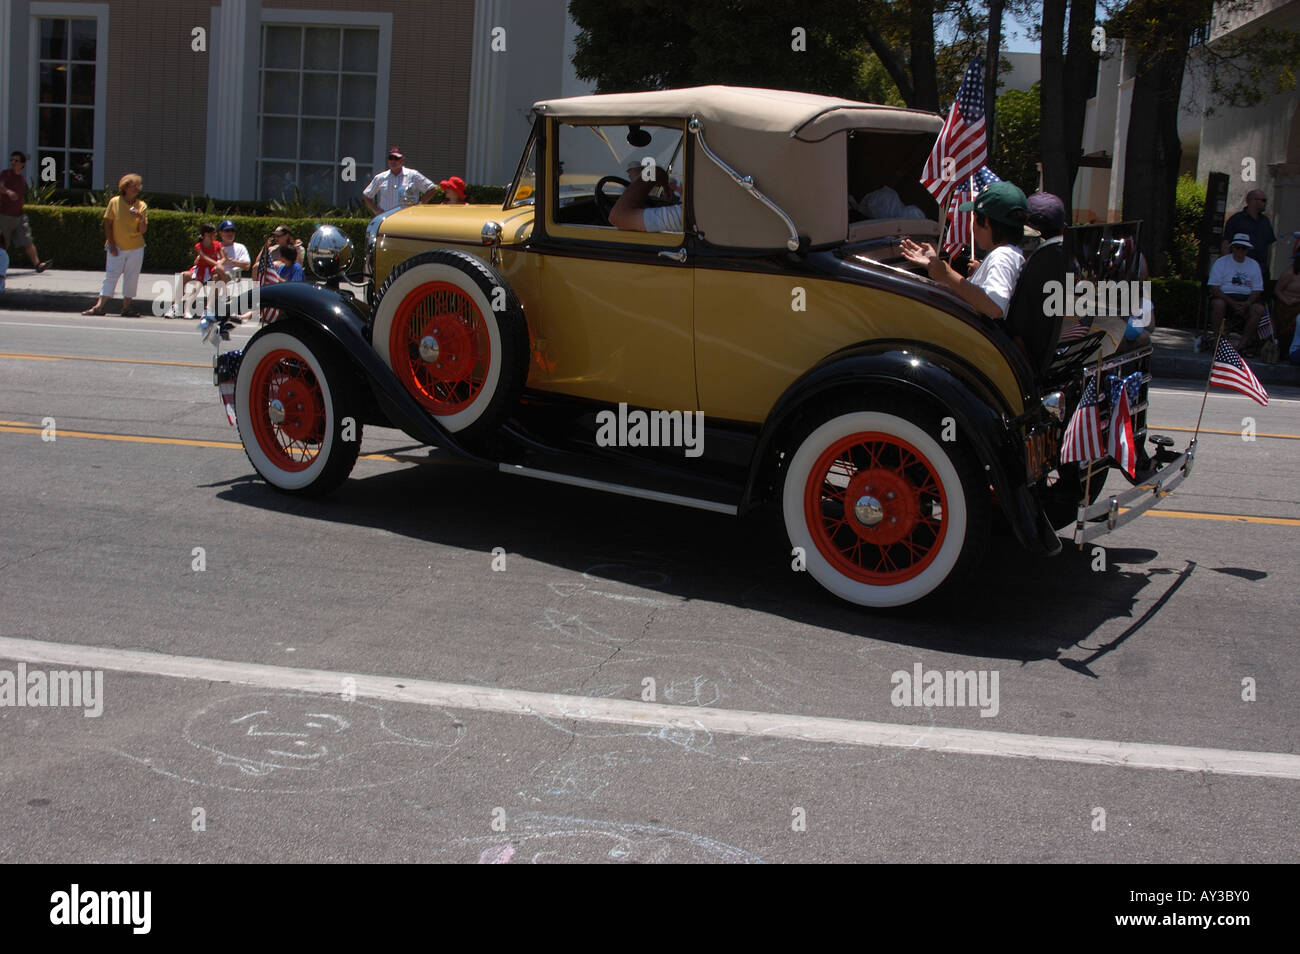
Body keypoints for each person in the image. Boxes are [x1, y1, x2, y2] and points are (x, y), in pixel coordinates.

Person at [899, 180, 1029, 319]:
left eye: (973, 217)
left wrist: (947, 275)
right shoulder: (1008, 254)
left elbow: (994, 307)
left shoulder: (1002, 256)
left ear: (985, 222)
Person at [1003, 192, 1069, 367]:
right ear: (1062, 230)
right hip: (1063, 361)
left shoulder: (1009, 262)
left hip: (1018, 363)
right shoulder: (1072, 267)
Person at [82, 173, 148, 316]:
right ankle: (99, 307)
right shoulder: (114, 202)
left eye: (138, 186)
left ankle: (126, 308)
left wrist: (141, 218)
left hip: (136, 247)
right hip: (116, 247)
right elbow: (108, 224)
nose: (137, 188)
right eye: (133, 186)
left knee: (132, 277)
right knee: (111, 276)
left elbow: (142, 230)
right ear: (125, 187)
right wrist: (111, 244)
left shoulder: (141, 205)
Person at [1208, 233, 1266, 355]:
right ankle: (1217, 341)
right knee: (1218, 304)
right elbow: (1214, 286)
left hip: (1246, 297)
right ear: (1232, 247)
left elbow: (1257, 289)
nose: (1240, 250)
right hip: (1225, 295)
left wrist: (1248, 303)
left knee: (1259, 309)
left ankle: (1242, 344)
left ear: (1248, 250)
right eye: (1237, 247)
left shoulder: (1254, 264)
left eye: (1243, 248)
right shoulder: (1221, 262)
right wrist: (1231, 302)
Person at [0, 152, 52, 272]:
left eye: (16, 161)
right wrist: (8, 192)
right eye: (12, 160)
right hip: (4, 216)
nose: (13, 162)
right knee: (3, 246)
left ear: (22, 164)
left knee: (28, 241)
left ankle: (38, 265)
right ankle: (1, 268)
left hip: (19, 216)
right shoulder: (6, 174)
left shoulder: (22, 179)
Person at [165, 223, 225, 318]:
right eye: (213, 233)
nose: (215, 235)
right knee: (183, 276)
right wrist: (216, 263)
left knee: (215, 279)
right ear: (206, 234)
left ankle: (207, 309)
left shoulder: (217, 244)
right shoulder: (198, 246)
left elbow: (223, 258)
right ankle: (175, 307)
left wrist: (218, 264)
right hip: (200, 270)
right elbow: (204, 258)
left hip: (211, 270)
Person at [1222, 189, 1275, 292]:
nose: (1266, 203)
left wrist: (1267, 266)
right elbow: (1226, 243)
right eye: (1263, 200)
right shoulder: (1236, 219)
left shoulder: (1265, 221)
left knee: (1258, 301)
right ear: (1252, 200)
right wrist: (1228, 265)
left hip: (1260, 270)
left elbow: (1269, 245)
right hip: (1239, 269)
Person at [609, 163, 683, 232]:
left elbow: (618, 217)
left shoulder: (681, 215)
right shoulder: (682, 213)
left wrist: (653, 174)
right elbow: (657, 172)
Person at [363, 146, 435, 215]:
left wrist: (420, 205)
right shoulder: (380, 177)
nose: (393, 161)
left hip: (408, 218)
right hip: (387, 218)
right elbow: (366, 195)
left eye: (396, 158)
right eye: (390, 158)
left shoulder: (413, 175)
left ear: (402, 160)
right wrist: (376, 210)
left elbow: (431, 189)